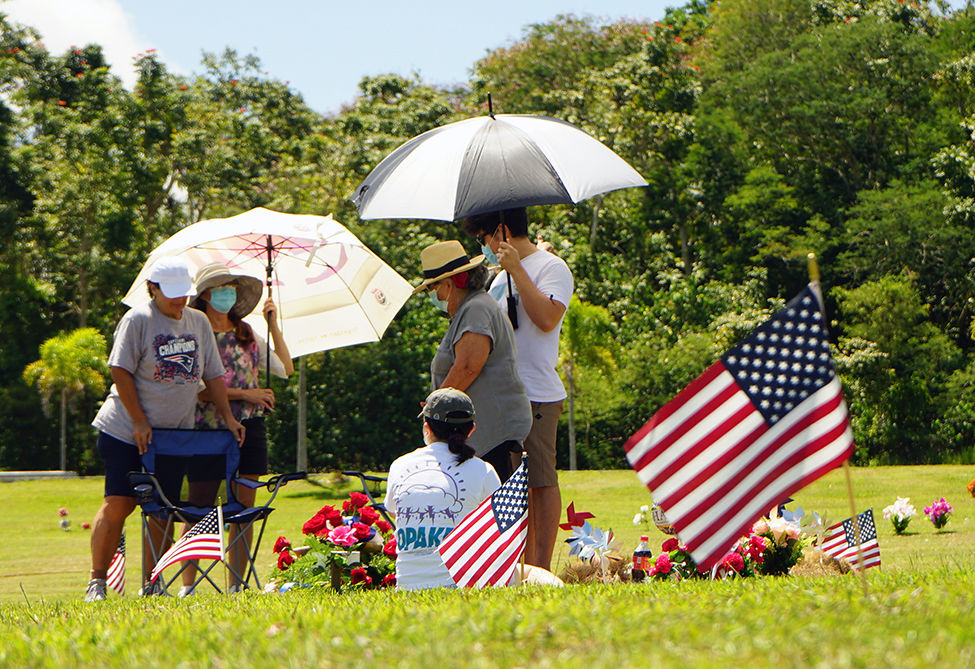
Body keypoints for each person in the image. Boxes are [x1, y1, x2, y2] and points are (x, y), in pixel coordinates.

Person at [86, 257, 245, 602]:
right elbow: (120, 371)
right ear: (153, 289)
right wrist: (140, 420)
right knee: (120, 503)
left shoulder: (198, 322)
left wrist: (228, 417)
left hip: (173, 435)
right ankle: (97, 582)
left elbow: (213, 376)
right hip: (125, 429)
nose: (179, 300)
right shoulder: (138, 319)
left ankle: (152, 583)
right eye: (171, 293)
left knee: (163, 509)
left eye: (184, 293)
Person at [461, 208, 574, 572]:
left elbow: (546, 318)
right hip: (501, 398)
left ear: (502, 231)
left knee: (540, 480)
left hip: (538, 393)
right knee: (506, 488)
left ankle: (538, 569)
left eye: (484, 238)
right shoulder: (496, 280)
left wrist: (518, 271)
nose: (486, 247)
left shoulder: (551, 267)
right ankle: (511, 567)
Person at [179, 263, 295, 596]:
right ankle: (188, 585)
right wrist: (247, 393)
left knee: (245, 510)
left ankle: (236, 585)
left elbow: (284, 368)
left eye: (232, 287)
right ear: (204, 294)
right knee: (198, 506)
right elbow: (198, 389)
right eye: (221, 288)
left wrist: (273, 327)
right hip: (207, 429)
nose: (228, 294)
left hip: (251, 428)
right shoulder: (196, 335)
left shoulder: (247, 334)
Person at [415, 240, 532, 482]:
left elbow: (468, 367)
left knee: (488, 509)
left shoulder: (476, 309)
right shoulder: (471, 308)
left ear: (449, 284)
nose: (433, 295)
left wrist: (434, 408)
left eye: (432, 287)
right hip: (484, 432)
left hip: (492, 435)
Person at [383, 388, 500, 590]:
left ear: (426, 426)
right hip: (464, 585)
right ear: (471, 429)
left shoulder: (399, 465)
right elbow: (500, 530)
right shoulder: (483, 470)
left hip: (407, 585)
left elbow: (394, 512)